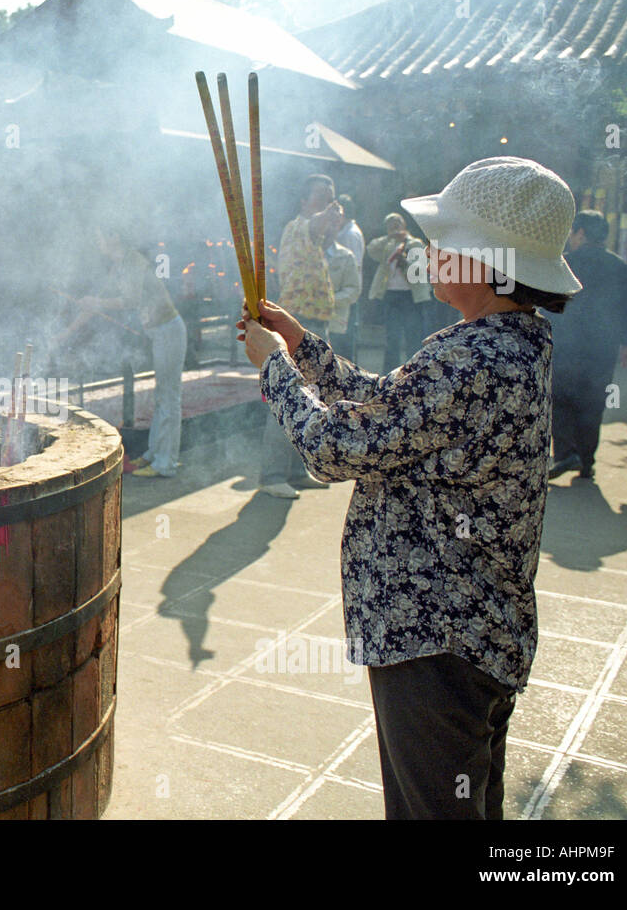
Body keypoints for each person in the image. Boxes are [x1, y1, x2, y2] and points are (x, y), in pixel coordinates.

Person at [239, 156, 582, 819]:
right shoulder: (511, 341)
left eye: (445, 241)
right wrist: (302, 346)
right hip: (483, 629)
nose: (430, 252)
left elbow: (335, 452)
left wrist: (275, 373)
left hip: (436, 640)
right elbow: (390, 405)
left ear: (483, 260)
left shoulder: (467, 361)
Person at [69, 225, 185, 478]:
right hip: (159, 332)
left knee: (169, 398)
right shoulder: (119, 265)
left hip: (168, 329)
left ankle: (165, 463)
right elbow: (95, 304)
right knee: (161, 396)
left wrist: (95, 302)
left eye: (100, 235)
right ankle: (154, 454)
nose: (97, 241)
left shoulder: (133, 260)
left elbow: (130, 301)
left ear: (114, 236)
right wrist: (65, 333)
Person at [259, 172, 344, 499]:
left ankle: (294, 470)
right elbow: (314, 225)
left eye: (331, 198)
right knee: (288, 396)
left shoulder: (319, 241)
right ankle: (273, 474)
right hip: (297, 322)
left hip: (311, 324)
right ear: (305, 202)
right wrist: (327, 215)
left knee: (307, 399)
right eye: (322, 198)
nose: (328, 206)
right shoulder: (298, 227)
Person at [548, 210, 627, 481]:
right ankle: (587, 460)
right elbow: (626, 308)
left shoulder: (565, 262)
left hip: (567, 345)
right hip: (603, 347)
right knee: (593, 402)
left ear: (581, 233)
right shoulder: (619, 266)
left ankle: (565, 453)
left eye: (573, 232)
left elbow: (552, 304)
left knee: (560, 399)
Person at [366, 213, 432, 374]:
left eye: (397, 223)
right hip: (391, 294)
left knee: (412, 335)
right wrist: (389, 237)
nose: (394, 227)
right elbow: (371, 250)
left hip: (410, 296)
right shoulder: (386, 244)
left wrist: (404, 262)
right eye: (390, 224)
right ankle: (390, 372)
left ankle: (414, 371)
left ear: (404, 225)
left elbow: (419, 269)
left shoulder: (415, 243)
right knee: (392, 337)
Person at [322, 211, 362, 361]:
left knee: (340, 363)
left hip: (336, 321)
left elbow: (353, 290)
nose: (330, 229)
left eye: (334, 224)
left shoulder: (346, 256)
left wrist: (330, 299)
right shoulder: (309, 253)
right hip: (310, 321)